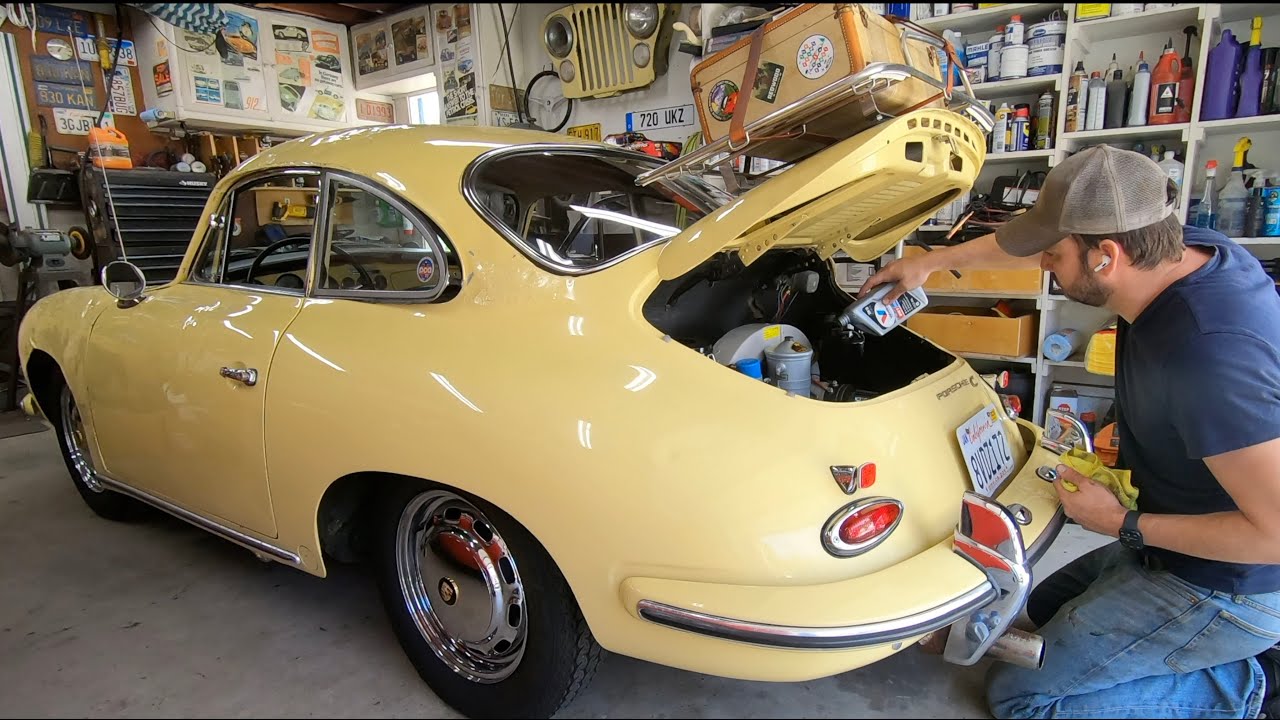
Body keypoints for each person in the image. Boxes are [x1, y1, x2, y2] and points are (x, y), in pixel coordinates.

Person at [861, 145, 1280, 719]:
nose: (1044, 266)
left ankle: (1252, 687)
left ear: (1107, 256)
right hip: (1178, 541)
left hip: (1232, 585)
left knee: (1021, 695)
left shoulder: (1208, 356)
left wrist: (1121, 524)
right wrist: (930, 262)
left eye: (1054, 256)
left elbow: (1275, 535)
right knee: (1035, 613)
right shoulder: (1179, 248)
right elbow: (1023, 247)